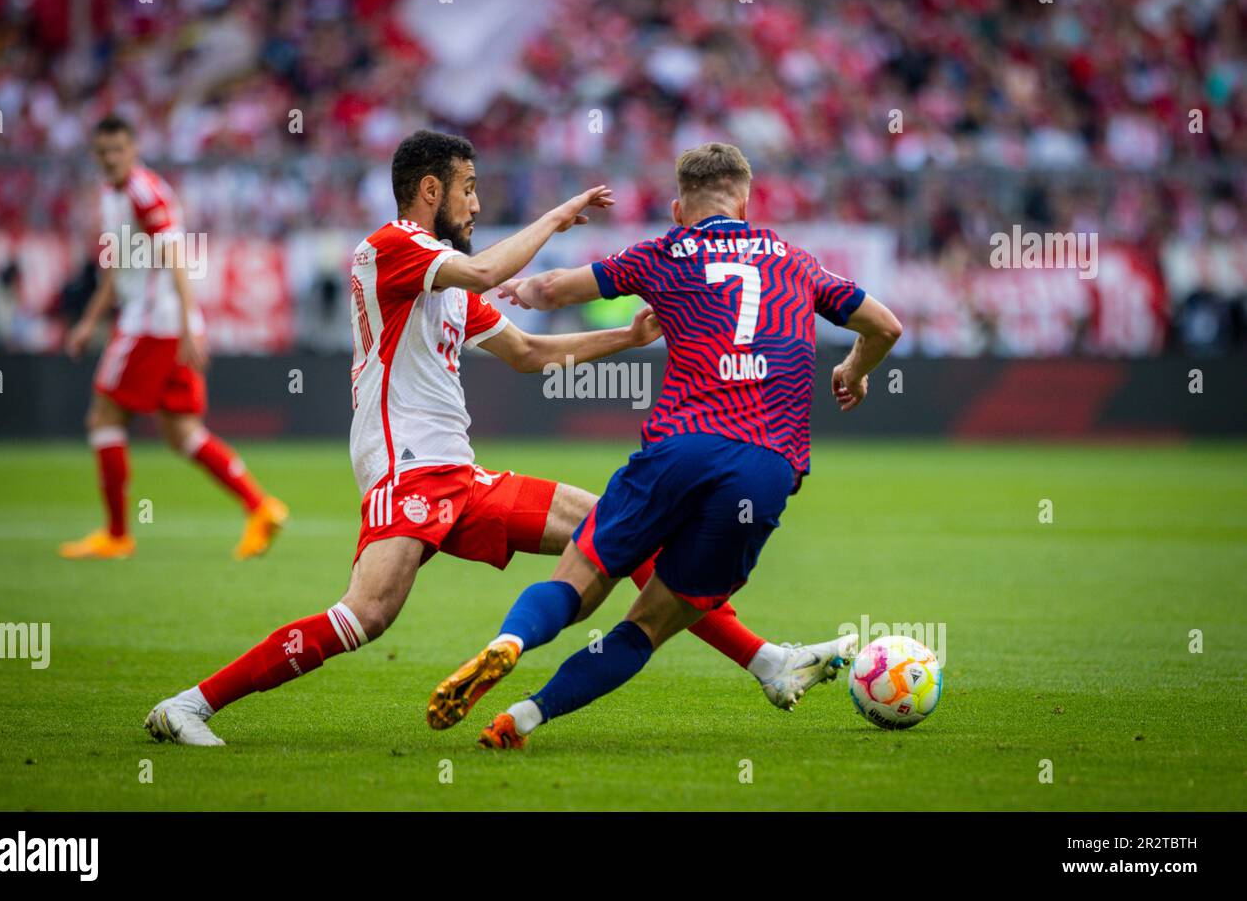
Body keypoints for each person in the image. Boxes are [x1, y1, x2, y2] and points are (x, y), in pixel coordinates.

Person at [144, 131, 830, 746]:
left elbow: (530, 355)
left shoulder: (441, 282)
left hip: (458, 476)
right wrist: (560, 217)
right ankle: (190, 705)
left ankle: (766, 661)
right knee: (367, 615)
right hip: (405, 468)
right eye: (470, 190)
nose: (476, 206)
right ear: (431, 190)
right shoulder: (391, 249)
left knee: (615, 528)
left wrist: (626, 337)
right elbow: (487, 272)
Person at [428, 141, 902, 748]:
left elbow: (551, 291)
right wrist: (856, 371)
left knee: (580, 579)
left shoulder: (663, 253)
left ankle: (510, 642)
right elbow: (884, 325)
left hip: (680, 448)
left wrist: (519, 290)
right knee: (645, 627)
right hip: (765, 470)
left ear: (680, 209)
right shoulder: (795, 260)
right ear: (746, 202)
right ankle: (521, 720)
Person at [61, 114, 287, 562]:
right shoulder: (112, 195)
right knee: (182, 432)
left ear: (134, 148)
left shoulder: (144, 194)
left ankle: (118, 534)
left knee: (104, 418)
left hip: (153, 325)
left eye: (117, 150)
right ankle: (261, 507)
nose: (109, 159)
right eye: (102, 151)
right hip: (159, 322)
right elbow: (119, 268)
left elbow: (177, 258)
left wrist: (188, 324)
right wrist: (90, 319)